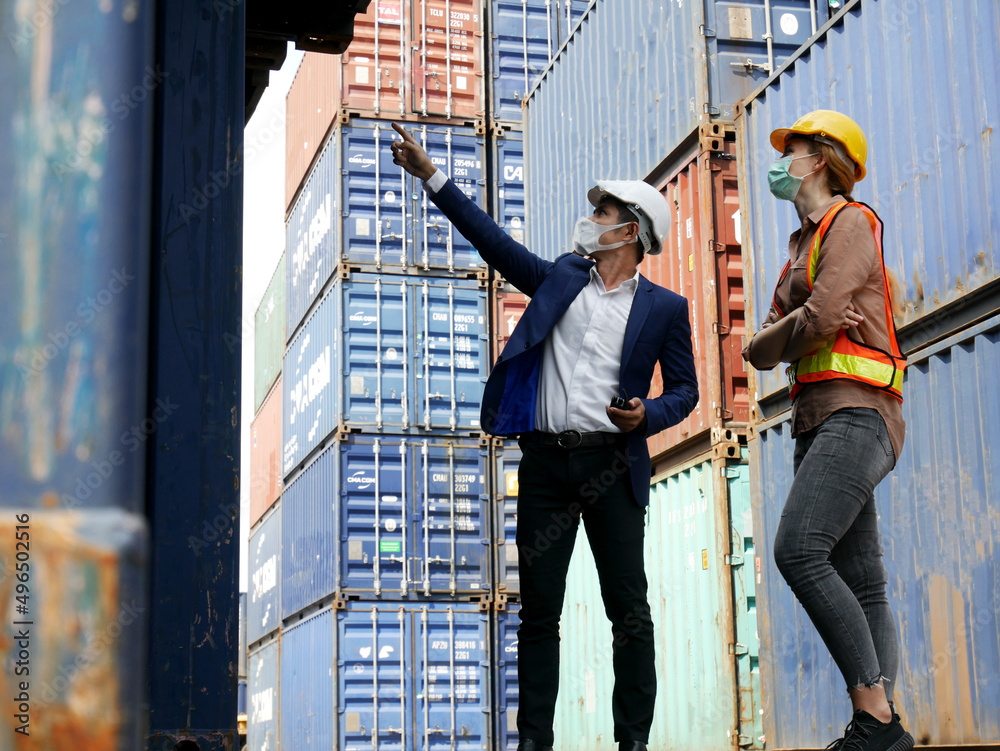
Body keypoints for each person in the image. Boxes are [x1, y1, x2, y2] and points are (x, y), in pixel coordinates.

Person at [391, 122, 698, 751]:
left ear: (629, 231)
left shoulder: (665, 308)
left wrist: (649, 416)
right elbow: (496, 246)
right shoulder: (561, 278)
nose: (589, 218)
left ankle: (632, 743)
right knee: (538, 617)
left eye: (600, 212)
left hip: (611, 468)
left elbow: (686, 392)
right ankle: (534, 743)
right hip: (545, 469)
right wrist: (432, 177)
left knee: (629, 616)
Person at [743, 110, 912, 751]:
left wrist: (787, 332)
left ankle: (874, 714)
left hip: (862, 413)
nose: (783, 161)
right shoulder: (798, 247)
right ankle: (883, 727)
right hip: (815, 420)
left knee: (798, 550)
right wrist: (792, 330)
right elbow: (761, 351)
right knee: (864, 577)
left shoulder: (853, 222)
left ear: (820, 159)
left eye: (794, 150)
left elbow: (815, 322)